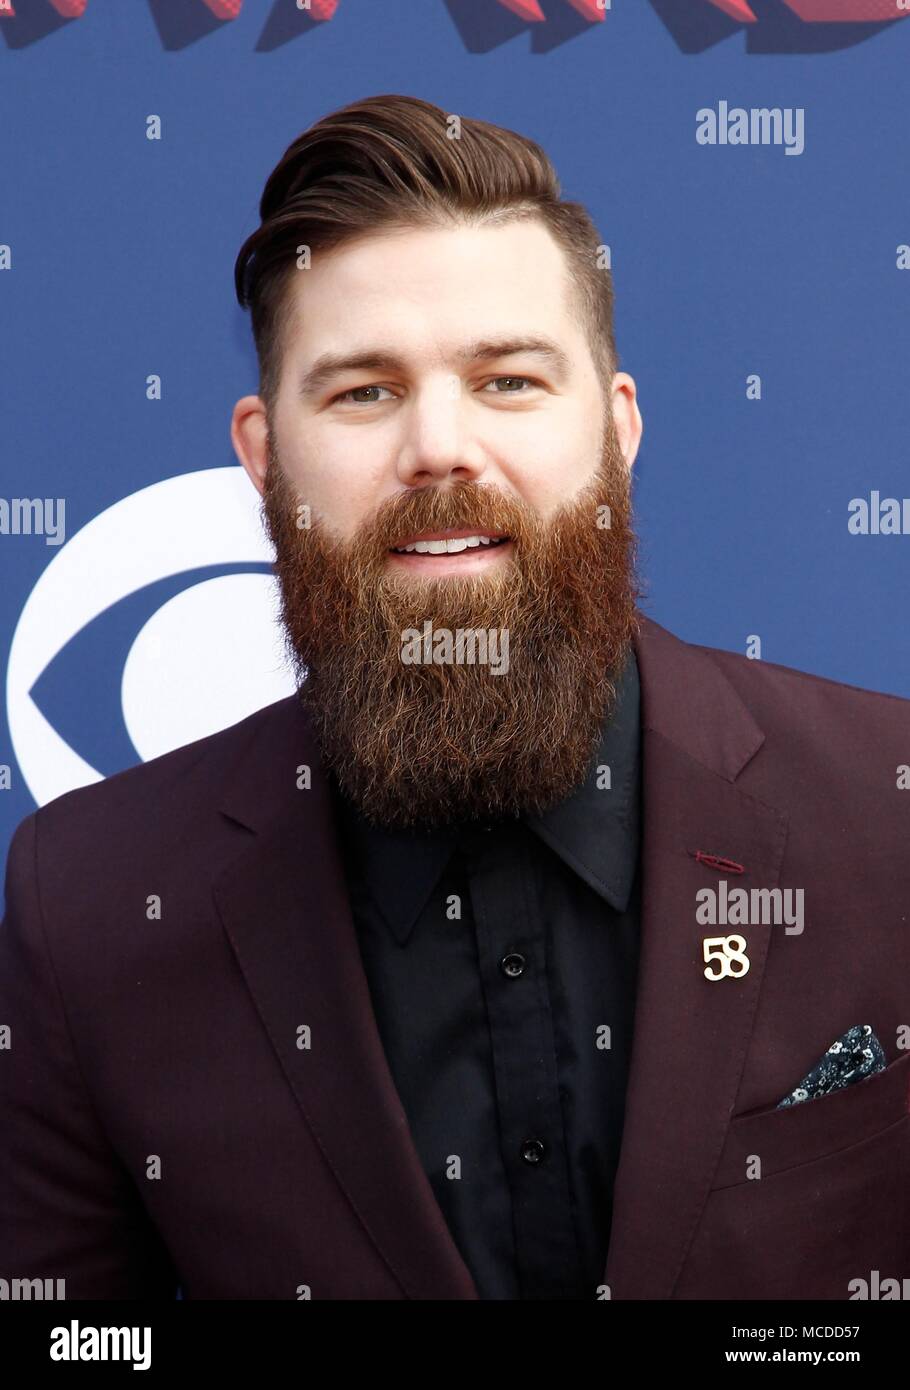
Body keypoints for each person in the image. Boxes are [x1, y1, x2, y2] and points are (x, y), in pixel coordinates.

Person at [2, 94, 909, 1301]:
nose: (439, 447)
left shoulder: (884, 814)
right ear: (266, 458)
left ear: (618, 428)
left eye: (509, 381)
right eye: (363, 392)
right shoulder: (94, 901)